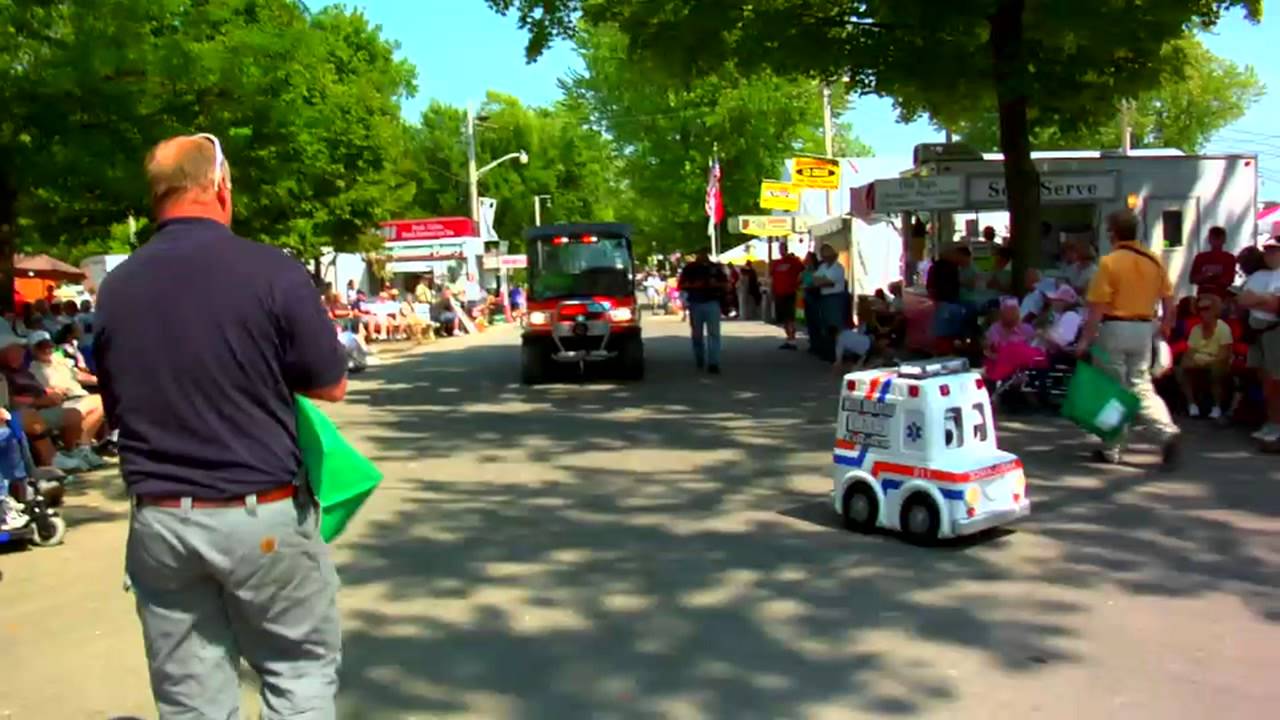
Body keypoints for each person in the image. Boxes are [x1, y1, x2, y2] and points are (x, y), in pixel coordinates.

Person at [95, 133, 347, 718]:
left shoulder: (116, 288)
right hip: (259, 510)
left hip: (160, 521)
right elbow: (329, 383)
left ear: (157, 197)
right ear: (221, 185)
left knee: (190, 698)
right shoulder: (271, 271)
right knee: (297, 671)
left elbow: (116, 401)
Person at [1077, 209, 1181, 468]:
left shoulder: (1110, 262)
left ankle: (1112, 449)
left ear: (1113, 233)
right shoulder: (1153, 260)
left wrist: (1085, 340)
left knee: (1111, 389)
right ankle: (1166, 431)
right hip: (1144, 328)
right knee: (1141, 384)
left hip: (1114, 328)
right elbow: (1169, 298)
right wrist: (1166, 325)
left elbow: (1097, 307)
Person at [1238, 239, 1280, 442]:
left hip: (1274, 331)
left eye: (1274, 250)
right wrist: (1265, 298)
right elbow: (1243, 299)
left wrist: (1260, 300)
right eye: (1267, 250)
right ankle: (1270, 421)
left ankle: (1276, 424)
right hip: (1257, 333)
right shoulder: (1259, 275)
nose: (1269, 254)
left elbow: (1276, 306)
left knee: (1276, 381)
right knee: (1264, 379)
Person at [1177, 293, 1233, 420]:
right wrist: (1190, 361)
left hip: (1217, 360)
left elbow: (1224, 354)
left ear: (1215, 311)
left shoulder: (1223, 329)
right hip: (1199, 360)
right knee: (1181, 369)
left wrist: (1204, 362)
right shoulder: (1196, 329)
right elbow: (1190, 352)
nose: (1203, 313)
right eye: (1200, 310)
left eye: (1207, 309)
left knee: (1216, 370)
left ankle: (1216, 407)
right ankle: (1192, 405)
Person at [677, 249, 728, 373]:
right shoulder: (690, 268)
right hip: (696, 303)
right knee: (697, 335)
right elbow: (681, 285)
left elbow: (725, 284)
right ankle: (700, 358)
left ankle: (713, 363)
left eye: (705, 254)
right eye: (701, 254)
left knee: (714, 334)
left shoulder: (715, 268)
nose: (703, 256)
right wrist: (694, 285)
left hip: (712, 302)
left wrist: (716, 284)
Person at [811, 244, 848, 361]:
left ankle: (840, 353)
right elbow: (814, 279)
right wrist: (820, 281)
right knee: (826, 325)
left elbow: (828, 282)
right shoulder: (823, 267)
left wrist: (820, 281)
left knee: (836, 325)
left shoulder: (838, 268)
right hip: (825, 297)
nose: (825, 258)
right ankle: (829, 351)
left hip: (836, 297)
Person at [1190, 226, 1238, 299]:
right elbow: (1192, 279)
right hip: (1203, 295)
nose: (1216, 241)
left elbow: (1228, 281)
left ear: (1223, 240)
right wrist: (1206, 276)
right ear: (1209, 239)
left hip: (1221, 296)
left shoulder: (1229, 258)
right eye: (1213, 238)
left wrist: (1208, 277)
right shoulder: (1200, 257)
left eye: (1218, 238)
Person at [769, 248, 804, 350]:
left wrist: (798, 284)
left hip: (790, 293)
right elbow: (773, 278)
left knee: (790, 318)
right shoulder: (777, 263)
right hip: (779, 293)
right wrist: (772, 291)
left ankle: (793, 340)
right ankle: (789, 339)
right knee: (784, 319)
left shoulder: (794, 261)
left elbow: (804, 271)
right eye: (780, 248)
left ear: (787, 249)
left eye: (783, 248)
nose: (781, 250)